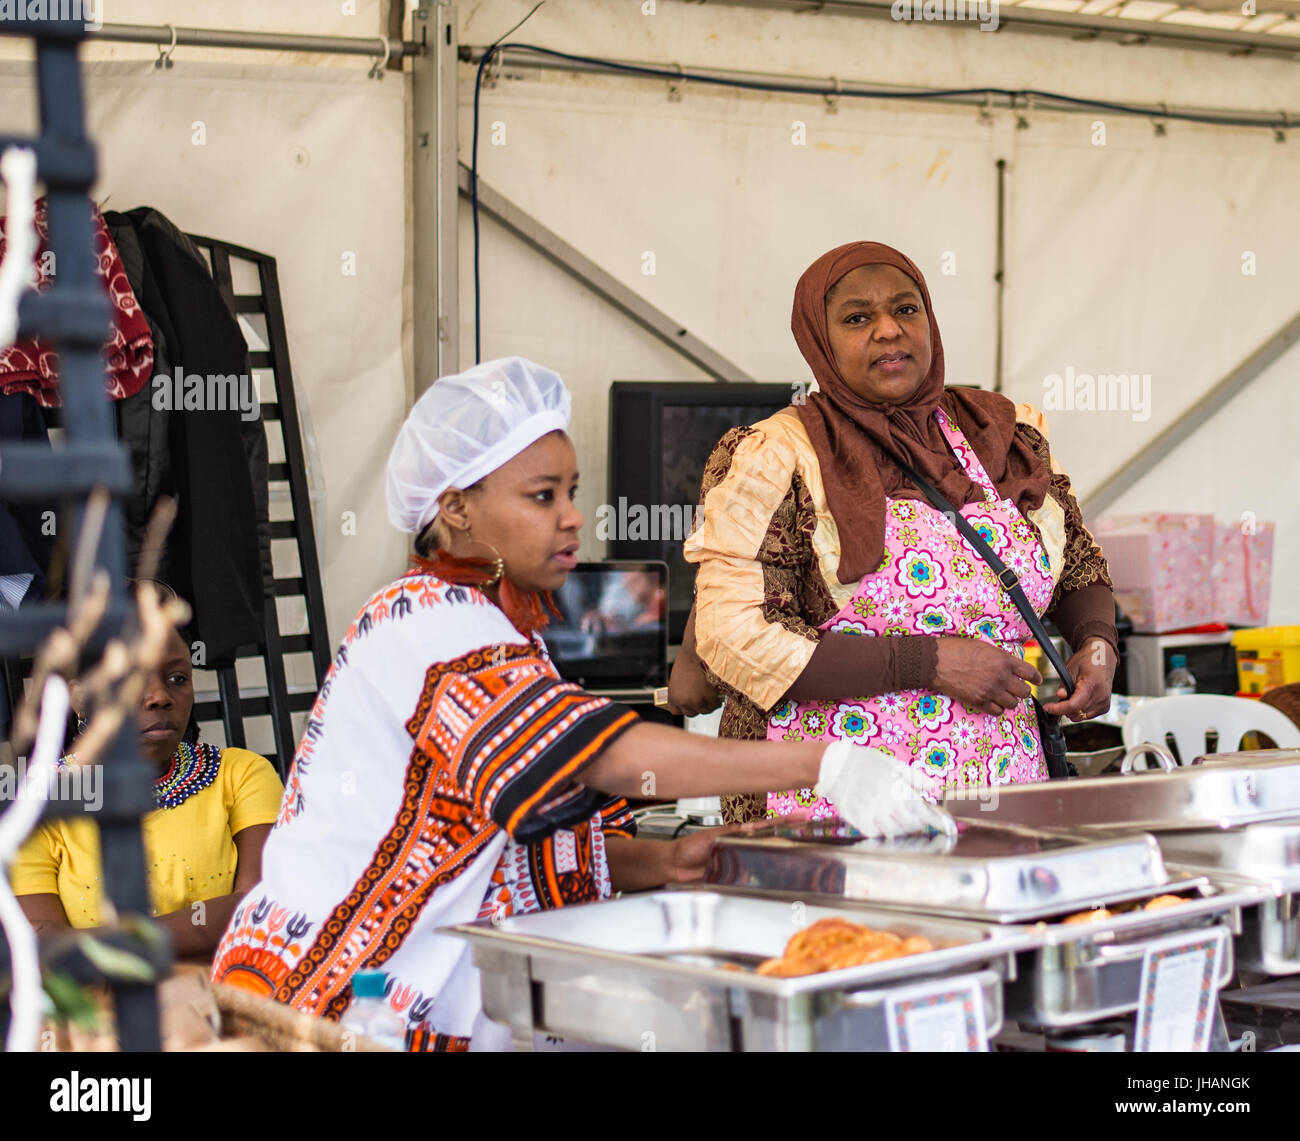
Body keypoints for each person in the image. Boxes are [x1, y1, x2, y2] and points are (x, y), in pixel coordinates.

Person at [210, 357, 951, 1051]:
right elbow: (609, 754)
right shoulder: (431, 624)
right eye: (542, 496)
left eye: (571, 492)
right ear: (456, 507)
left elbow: (498, 843)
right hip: (335, 1002)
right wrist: (825, 763)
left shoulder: (494, 624)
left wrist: (667, 862)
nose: (571, 517)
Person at [671, 241, 1119, 823]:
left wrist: (1098, 645)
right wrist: (926, 664)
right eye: (857, 318)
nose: (888, 330)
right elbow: (736, 636)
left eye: (906, 310)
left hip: (998, 790)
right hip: (830, 801)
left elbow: (1077, 566)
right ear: (819, 340)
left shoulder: (1003, 435)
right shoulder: (776, 456)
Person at [10, 583, 283, 958]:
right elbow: (42, 945)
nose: (160, 696)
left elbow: (263, 909)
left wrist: (109, 945)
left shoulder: (242, 774)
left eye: (177, 679)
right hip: (105, 1011)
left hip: (233, 997)